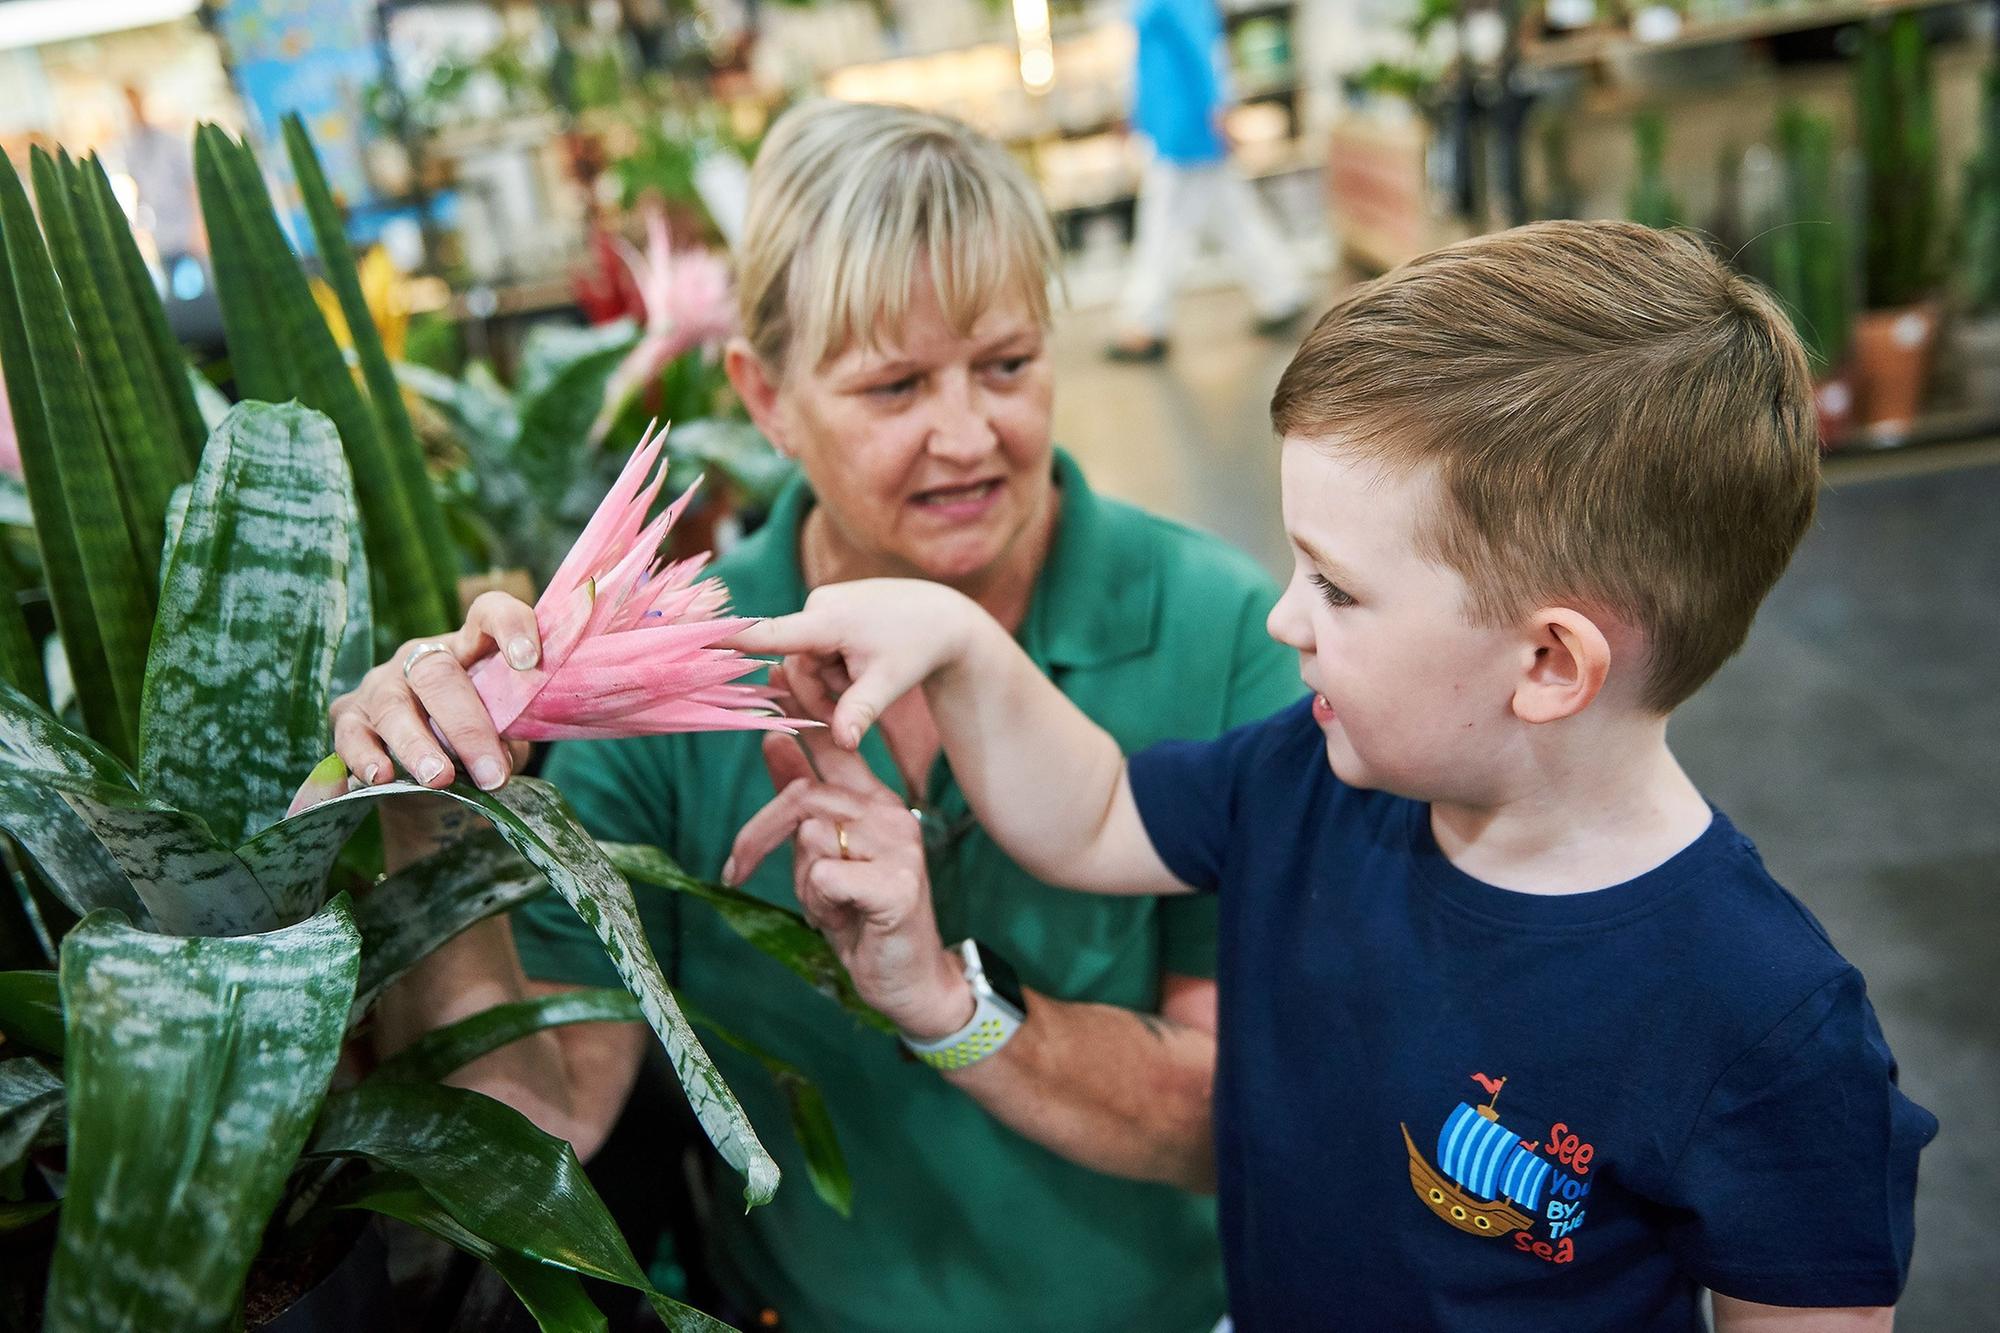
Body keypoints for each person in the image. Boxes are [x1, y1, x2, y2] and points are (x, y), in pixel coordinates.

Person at [724, 221, 1938, 1330]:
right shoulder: (1309, 778)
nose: (1281, 621)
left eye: (1337, 588)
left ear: (1549, 662)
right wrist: (962, 646)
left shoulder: (1762, 1023)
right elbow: (1091, 813)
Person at [302, 100, 1301, 1332]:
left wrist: (942, 996)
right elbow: (541, 1118)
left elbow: (1244, 1117)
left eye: (1006, 362)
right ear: (763, 397)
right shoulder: (668, 678)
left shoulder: (1223, 637)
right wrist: (432, 815)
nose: (966, 433)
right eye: (893, 385)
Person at [1107, 0, 1309, 362]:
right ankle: (1283, 293)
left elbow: (1201, 48)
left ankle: (1145, 323)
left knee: (1163, 229)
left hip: (1186, 129)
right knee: (1233, 218)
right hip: (1180, 125)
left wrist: (1219, 109)